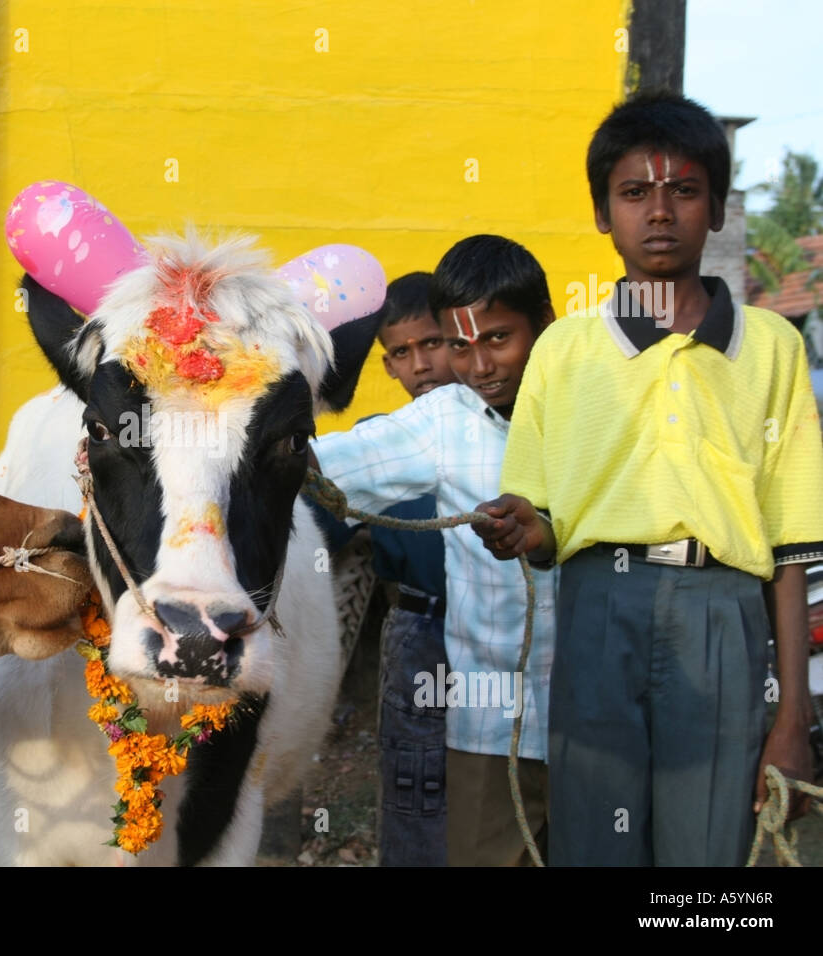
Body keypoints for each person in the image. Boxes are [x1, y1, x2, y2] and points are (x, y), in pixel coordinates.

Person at [472, 90, 823, 866]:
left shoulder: (771, 348)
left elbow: (793, 549)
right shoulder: (563, 352)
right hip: (600, 610)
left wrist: (793, 716)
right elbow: (542, 522)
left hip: (725, 616)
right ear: (604, 213)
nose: (659, 212)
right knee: (597, 843)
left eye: (684, 191)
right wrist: (524, 529)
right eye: (635, 192)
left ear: (720, 210)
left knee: (707, 855)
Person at [312, 236, 557, 866]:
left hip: (602, 717)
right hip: (492, 724)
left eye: (498, 339)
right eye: (459, 345)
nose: (479, 367)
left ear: (545, 326)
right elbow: (320, 469)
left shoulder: (596, 406)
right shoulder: (444, 419)